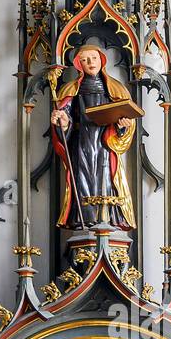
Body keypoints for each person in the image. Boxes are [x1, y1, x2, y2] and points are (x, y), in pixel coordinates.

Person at [50, 45, 137, 228]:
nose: (90, 62)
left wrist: (122, 126)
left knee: (105, 177)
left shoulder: (115, 88)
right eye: (85, 59)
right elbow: (64, 115)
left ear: (102, 60)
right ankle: (84, 220)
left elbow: (126, 117)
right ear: (78, 64)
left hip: (105, 143)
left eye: (94, 58)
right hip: (80, 142)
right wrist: (64, 122)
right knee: (82, 178)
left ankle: (106, 219)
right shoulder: (71, 89)